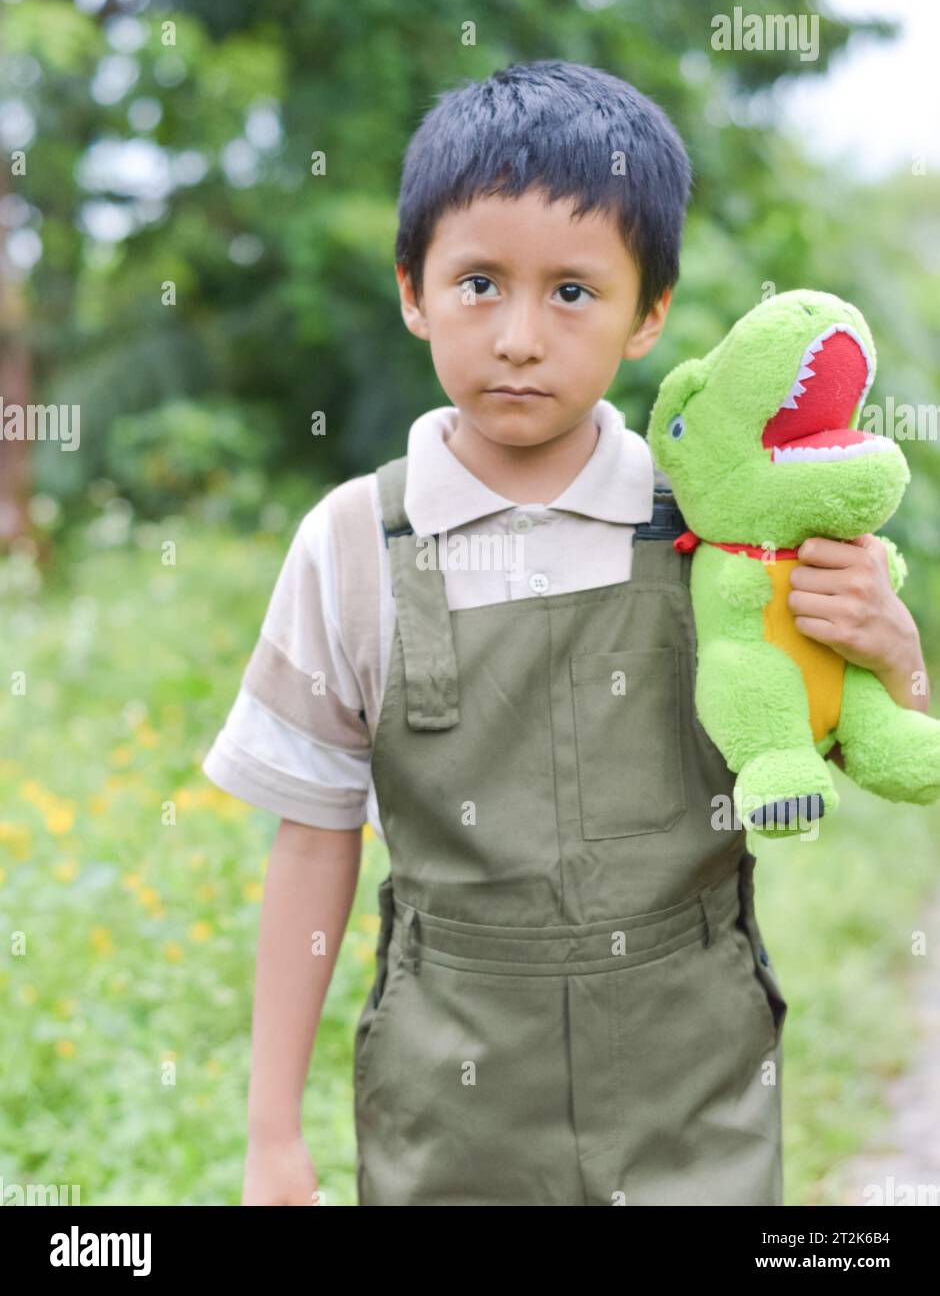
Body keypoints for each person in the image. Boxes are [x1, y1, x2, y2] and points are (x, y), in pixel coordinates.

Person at [202, 59, 930, 1207]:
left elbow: (852, 738)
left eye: (574, 292)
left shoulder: (723, 530)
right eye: (479, 282)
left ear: (649, 316)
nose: (520, 337)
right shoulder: (353, 543)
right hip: (452, 1103)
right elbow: (312, 837)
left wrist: (895, 659)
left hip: (693, 1090)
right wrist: (270, 1137)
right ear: (412, 289)